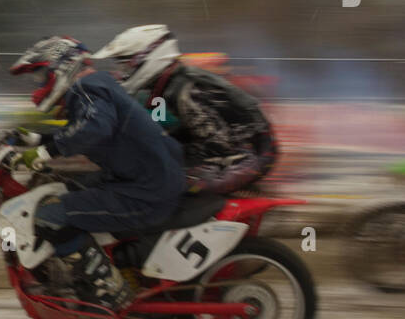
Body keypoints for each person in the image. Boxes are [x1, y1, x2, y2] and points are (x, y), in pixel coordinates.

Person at [8, 36, 186, 310]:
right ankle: (90, 271)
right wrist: (35, 139)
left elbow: (95, 128)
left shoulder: (86, 86)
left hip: (145, 191)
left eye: (42, 75)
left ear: (62, 66)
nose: (39, 84)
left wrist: (45, 153)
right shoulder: (95, 86)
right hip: (145, 179)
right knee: (64, 188)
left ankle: (109, 290)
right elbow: (84, 127)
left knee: (51, 217)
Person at [92, 24, 278, 195]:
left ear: (148, 57)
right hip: (229, 151)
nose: (123, 72)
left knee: (150, 182)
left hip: (246, 157)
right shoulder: (162, 85)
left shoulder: (186, 90)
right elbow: (162, 126)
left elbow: (220, 146)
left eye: (126, 65)